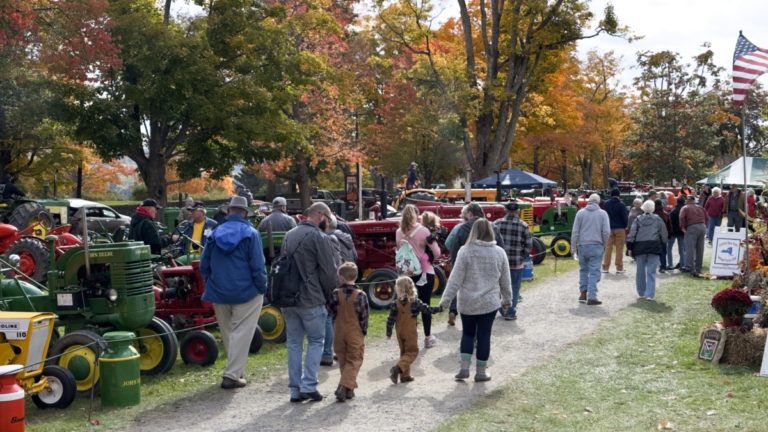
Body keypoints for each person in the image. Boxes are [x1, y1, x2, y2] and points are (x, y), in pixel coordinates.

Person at [200, 196, 267, 389]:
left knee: (228, 331)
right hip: (246, 290)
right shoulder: (251, 233)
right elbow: (257, 265)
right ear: (245, 213)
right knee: (242, 332)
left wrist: (210, 282)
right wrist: (262, 287)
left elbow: (204, 264)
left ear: (228, 211)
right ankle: (231, 374)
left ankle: (236, 372)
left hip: (218, 290)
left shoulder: (214, 233)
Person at [439, 219, 512, 382]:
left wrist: (445, 301)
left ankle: (464, 368)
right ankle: (480, 372)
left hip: (467, 302)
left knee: (467, 333)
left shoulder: (465, 251)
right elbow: (505, 280)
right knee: (484, 335)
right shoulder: (499, 252)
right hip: (489, 302)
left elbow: (455, 279)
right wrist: (507, 300)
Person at [281, 202, 337, 403]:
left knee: (294, 344)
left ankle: (295, 390)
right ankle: (309, 385)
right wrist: (330, 294)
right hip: (311, 298)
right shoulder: (318, 237)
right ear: (320, 216)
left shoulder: (289, 235)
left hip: (288, 298)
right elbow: (329, 272)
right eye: (328, 219)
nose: (328, 223)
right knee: (316, 341)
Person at [396, 204, 441, 348]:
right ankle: (428, 338)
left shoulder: (398, 232)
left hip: (406, 274)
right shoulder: (424, 231)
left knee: (408, 305)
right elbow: (437, 252)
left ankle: (411, 337)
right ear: (416, 215)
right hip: (424, 271)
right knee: (425, 304)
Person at [386, 276, 441, 384]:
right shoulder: (415, 302)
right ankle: (397, 368)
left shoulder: (394, 303)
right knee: (413, 351)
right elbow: (428, 310)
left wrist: (388, 332)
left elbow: (390, 319)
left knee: (404, 352)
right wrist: (440, 308)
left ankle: (405, 376)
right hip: (410, 331)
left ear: (399, 289)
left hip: (399, 332)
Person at [327, 262, 368, 402]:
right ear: (355, 277)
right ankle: (342, 387)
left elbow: (330, 311)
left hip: (338, 331)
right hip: (354, 332)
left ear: (342, 277)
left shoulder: (335, 293)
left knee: (344, 360)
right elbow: (364, 316)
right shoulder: (361, 295)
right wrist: (364, 331)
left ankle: (348, 390)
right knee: (355, 359)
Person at [320, 213, 357, 367]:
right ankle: (343, 350)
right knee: (342, 317)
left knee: (330, 317)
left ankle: (329, 353)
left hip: (337, 281)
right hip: (348, 279)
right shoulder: (347, 237)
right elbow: (354, 255)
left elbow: (334, 263)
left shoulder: (330, 239)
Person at [493, 202, 531, 320]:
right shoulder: (523, 225)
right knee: (514, 287)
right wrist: (522, 256)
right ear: (518, 211)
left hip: (498, 262)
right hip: (516, 262)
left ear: (505, 210)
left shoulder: (496, 224)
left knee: (498, 287)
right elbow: (528, 245)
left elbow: (490, 242)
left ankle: (500, 307)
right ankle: (510, 311)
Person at [571, 194, 610, 305]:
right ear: (598, 202)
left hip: (583, 246)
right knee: (594, 272)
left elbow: (575, 231)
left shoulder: (580, 213)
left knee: (583, 270)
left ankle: (583, 293)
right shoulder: (603, 214)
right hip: (597, 245)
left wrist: (573, 246)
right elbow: (606, 232)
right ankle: (592, 296)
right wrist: (605, 244)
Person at [626, 200, 668, 300]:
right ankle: (649, 294)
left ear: (643, 208)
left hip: (640, 247)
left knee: (640, 271)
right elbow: (664, 233)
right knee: (651, 271)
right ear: (653, 208)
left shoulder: (638, 219)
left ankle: (641, 292)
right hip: (653, 246)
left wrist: (629, 247)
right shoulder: (657, 219)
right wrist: (663, 242)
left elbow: (632, 234)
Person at [679, 195, 708, 277]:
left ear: (688, 201)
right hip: (702, 226)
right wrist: (705, 226)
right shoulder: (700, 207)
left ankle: (691, 268)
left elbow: (681, 218)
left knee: (690, 248)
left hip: (692, 227)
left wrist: (682, 227)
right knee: (700, 248)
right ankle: (698, 268)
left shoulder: (685, 208)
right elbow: (707, 217)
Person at [602, 189, 629, 274]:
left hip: (609, 228)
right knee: (619, 249)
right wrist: (625, 226)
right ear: (619, 195)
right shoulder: (621, 205)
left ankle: (605, 267)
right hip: (620, 228)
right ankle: (619, 267)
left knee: (608, 248)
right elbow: (625, 217)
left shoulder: (606, 204)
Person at [667, 196, 686, 270]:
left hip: (673, 232)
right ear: (684, 202)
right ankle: (682, 264)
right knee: (682, 249)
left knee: (669, 248)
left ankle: (670, 264)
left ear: (676, 202)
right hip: (681, 232)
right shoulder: (684, 210)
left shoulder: (673, 210)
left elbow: (670, 222)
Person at [654, 199, 671, 273]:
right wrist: (669, 235)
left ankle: (653, 266)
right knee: (663, 252)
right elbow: (669, 226)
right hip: (663, 235)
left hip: (654, 236)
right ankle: (663, 267)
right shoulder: (665, 214)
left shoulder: (652, 214)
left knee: (654, 252)